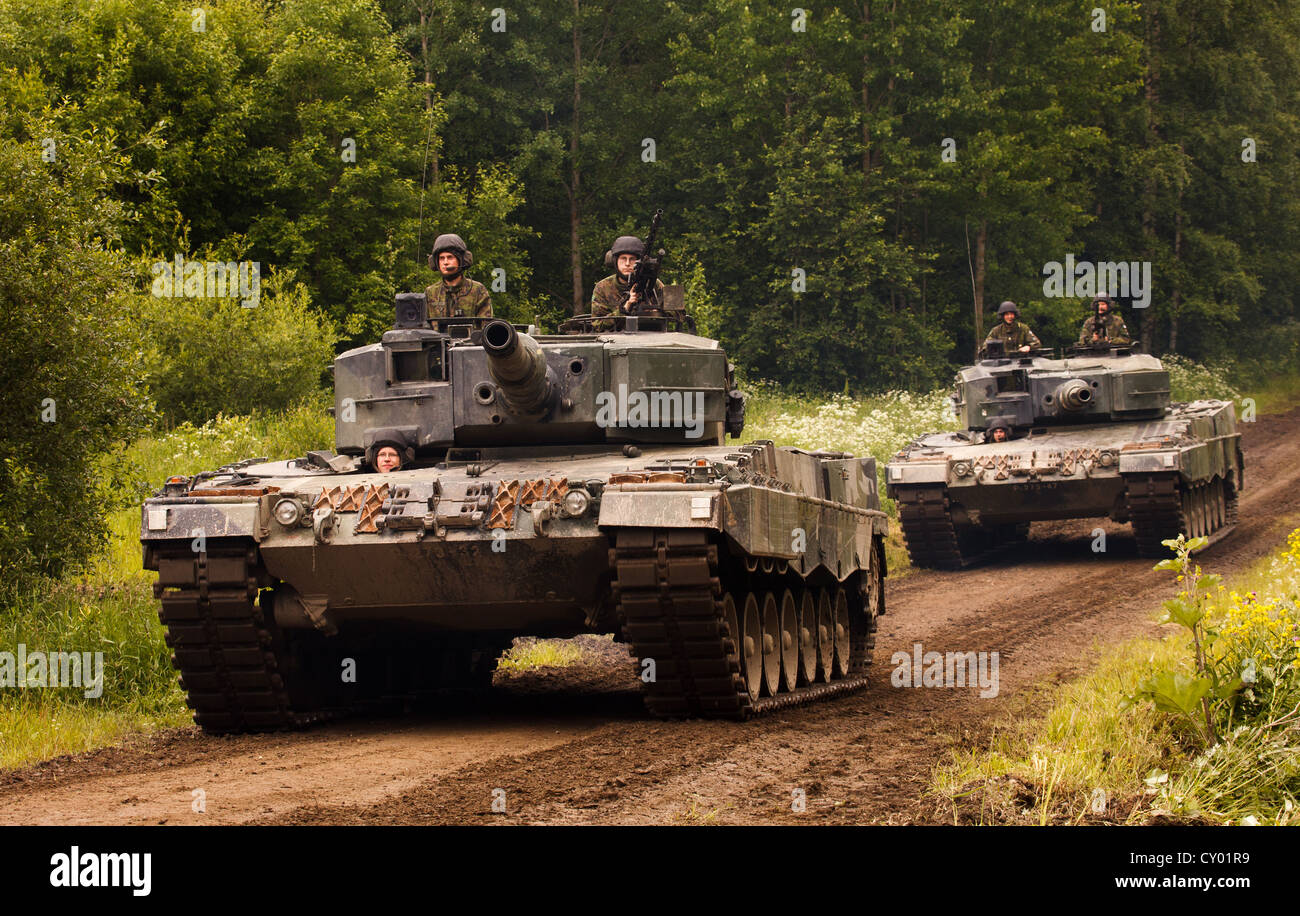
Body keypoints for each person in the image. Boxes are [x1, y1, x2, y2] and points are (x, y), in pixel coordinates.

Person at [590, 235, 667, 320]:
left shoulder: (653, 283)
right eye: (623, 259)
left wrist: (658, 311)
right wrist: (626, 307)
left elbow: (677, 313)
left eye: (632, 259)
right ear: (615, 261)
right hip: (616, 333)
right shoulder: (603, 287)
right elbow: (597, 323)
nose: (627, 263)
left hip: (652, 332)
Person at [425, 233, 492, 319]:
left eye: (450, 257)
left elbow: (485, 326)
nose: (445, 262)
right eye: (442, 258)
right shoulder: (431, 293)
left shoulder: (477, 290)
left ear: (461, 260)